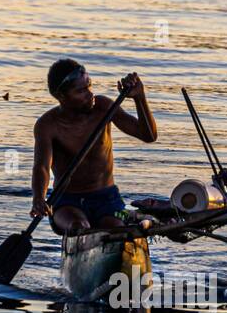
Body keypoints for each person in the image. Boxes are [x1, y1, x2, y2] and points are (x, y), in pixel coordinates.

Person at [31, 59, 158, 234]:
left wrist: (139, 97)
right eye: (81, 91)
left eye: (89, 86)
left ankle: (127, 222)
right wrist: (39, 198)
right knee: (79, 228)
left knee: (115, 231)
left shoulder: (104, 107)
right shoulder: (47, 125)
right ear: (62, 96)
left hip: (106, 198)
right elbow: (42, 167)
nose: (90, 94)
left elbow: (148, 136)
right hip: (66, 201)